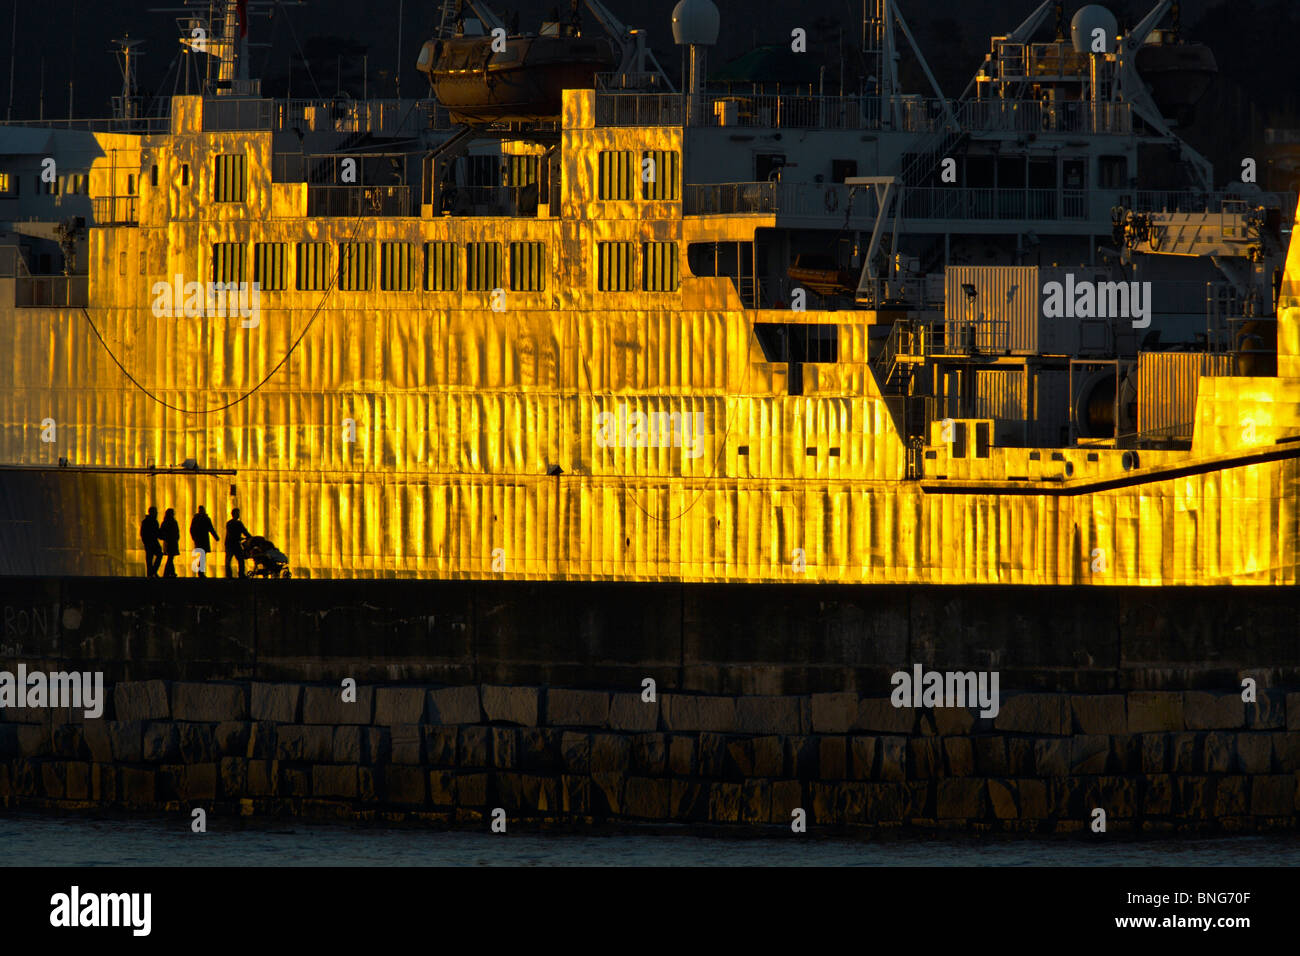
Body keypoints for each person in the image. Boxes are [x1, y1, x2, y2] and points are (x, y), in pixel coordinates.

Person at [190, 506, 219, 578]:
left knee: (201, 555)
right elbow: (211, 529)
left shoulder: (196, 519)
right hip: (203, 539)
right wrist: (216, 537)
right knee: (202, 556)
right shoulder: (206, 518)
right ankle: (201, 572)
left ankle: (200, 571)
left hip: (198, 539)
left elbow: (191, 529)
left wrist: (194, 538)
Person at [225, 508, 250, 578]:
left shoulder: (230, 523)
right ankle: (240, 574)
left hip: (231, 543)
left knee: (230, 560)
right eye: (237, 513)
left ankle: (229, 575)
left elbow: (244, 531)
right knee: (239, 559)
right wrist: (249, 537)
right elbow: (244, 532)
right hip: (233, 544)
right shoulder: (237, 523)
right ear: (234, 514)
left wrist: (249, 536)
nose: (238, 515)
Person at [139, 507, 163, 577]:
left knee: (150, 558)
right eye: (155, 512)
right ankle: (152, 572)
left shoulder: (147, 521)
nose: (156, 514)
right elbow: (155, 532)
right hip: (152, 542)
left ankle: (151, 573)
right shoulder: (153, 522)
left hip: (149, 542)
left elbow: (142, 533)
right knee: (157, 556)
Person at [159, 508, 181, 578]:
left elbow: (161, 532)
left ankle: (171, 572)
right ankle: (167, 573)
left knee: (170, 558)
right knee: (170, 558)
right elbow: (176, 532)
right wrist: (176, 538)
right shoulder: (173, 522)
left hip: (167, 542)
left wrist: (164, 537)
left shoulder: (165, 522)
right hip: (172, 542)